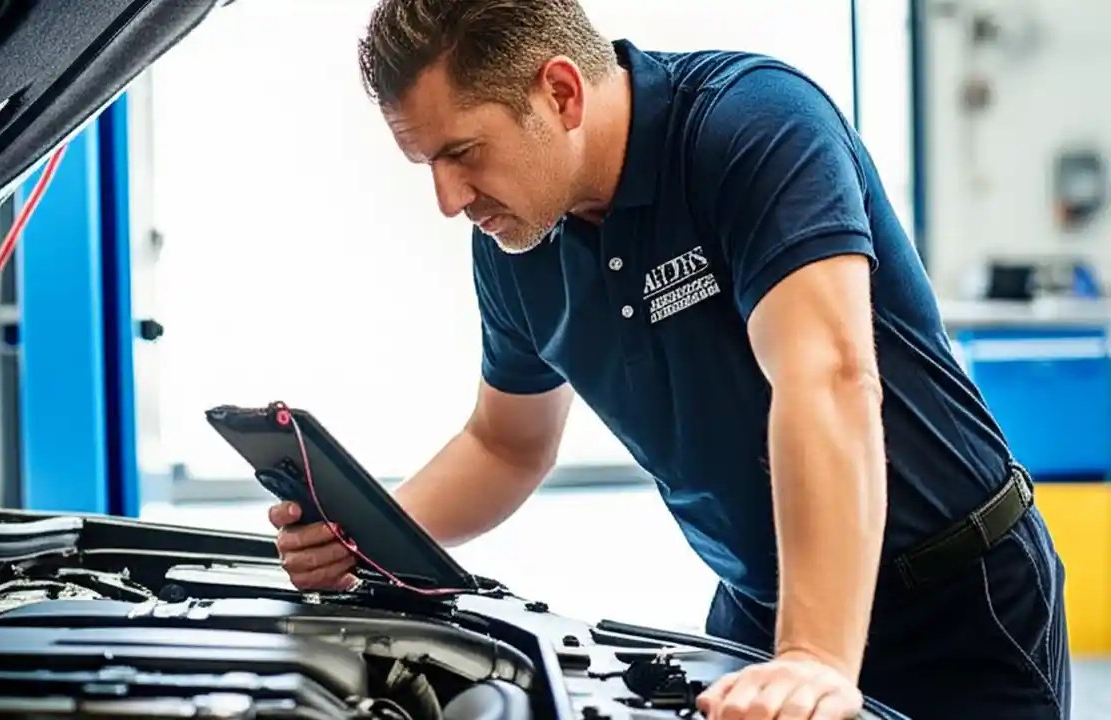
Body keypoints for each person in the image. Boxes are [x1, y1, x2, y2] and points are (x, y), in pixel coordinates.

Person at [268, 1, 1072, 718]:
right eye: (428, 166)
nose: (448, 200)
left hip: (953, 604)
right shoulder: (516, 242)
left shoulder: (750, 126)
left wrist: (817, 658)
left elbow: (825, 375)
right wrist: (369, 534)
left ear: (561, 92)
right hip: (759, 616)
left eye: (463, 152)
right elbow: (504, 444)